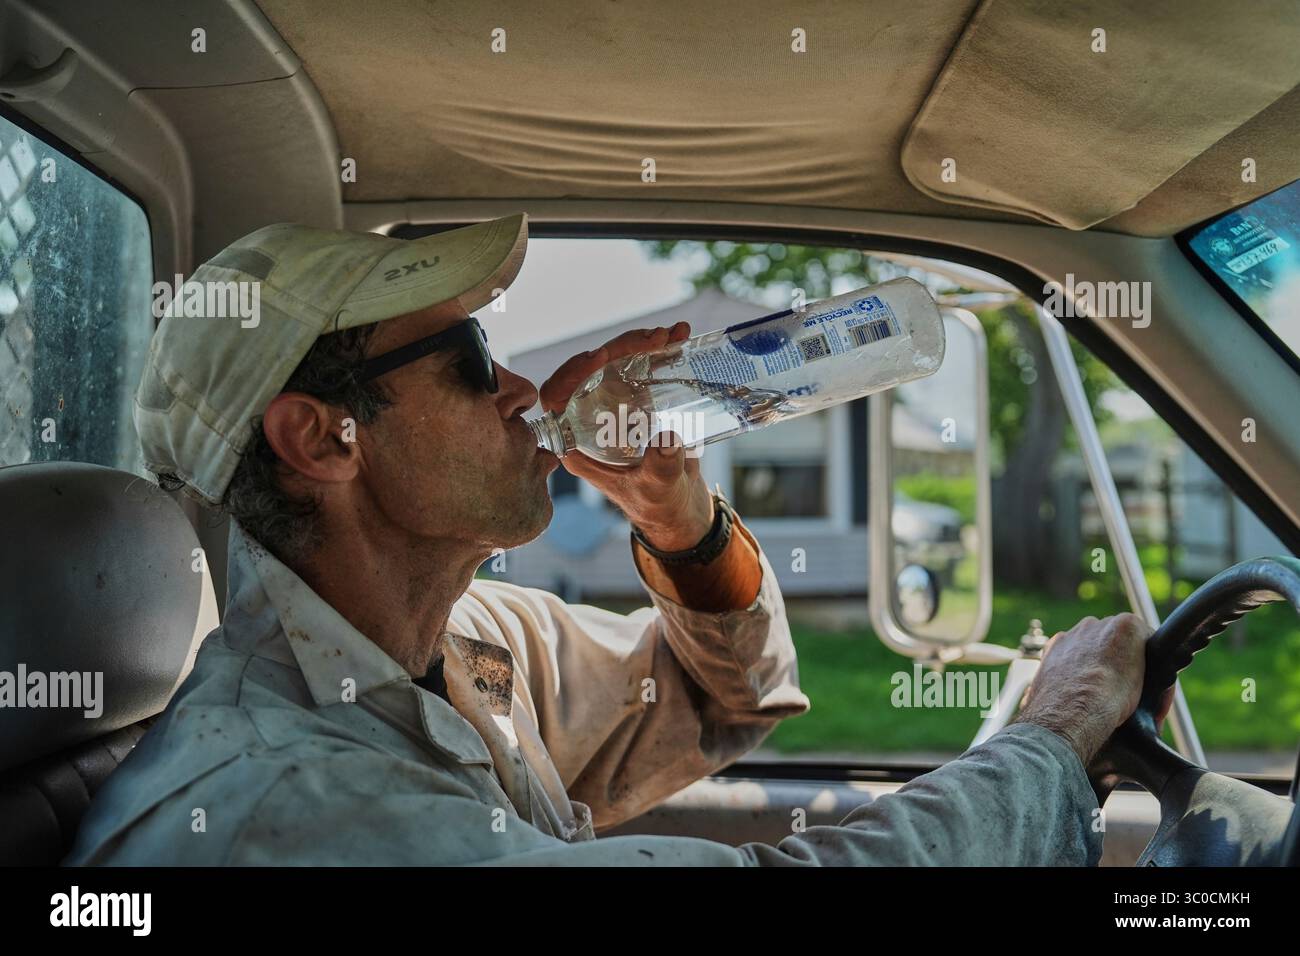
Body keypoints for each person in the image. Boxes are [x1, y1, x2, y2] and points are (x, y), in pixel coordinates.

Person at [67, 213, 1156, 866]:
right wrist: (1054, 735)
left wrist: (676, 519)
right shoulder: (286, 801)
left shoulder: (458, 643)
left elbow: (719, 700)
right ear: (322, 437)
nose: (526, 390)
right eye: (466, 361)